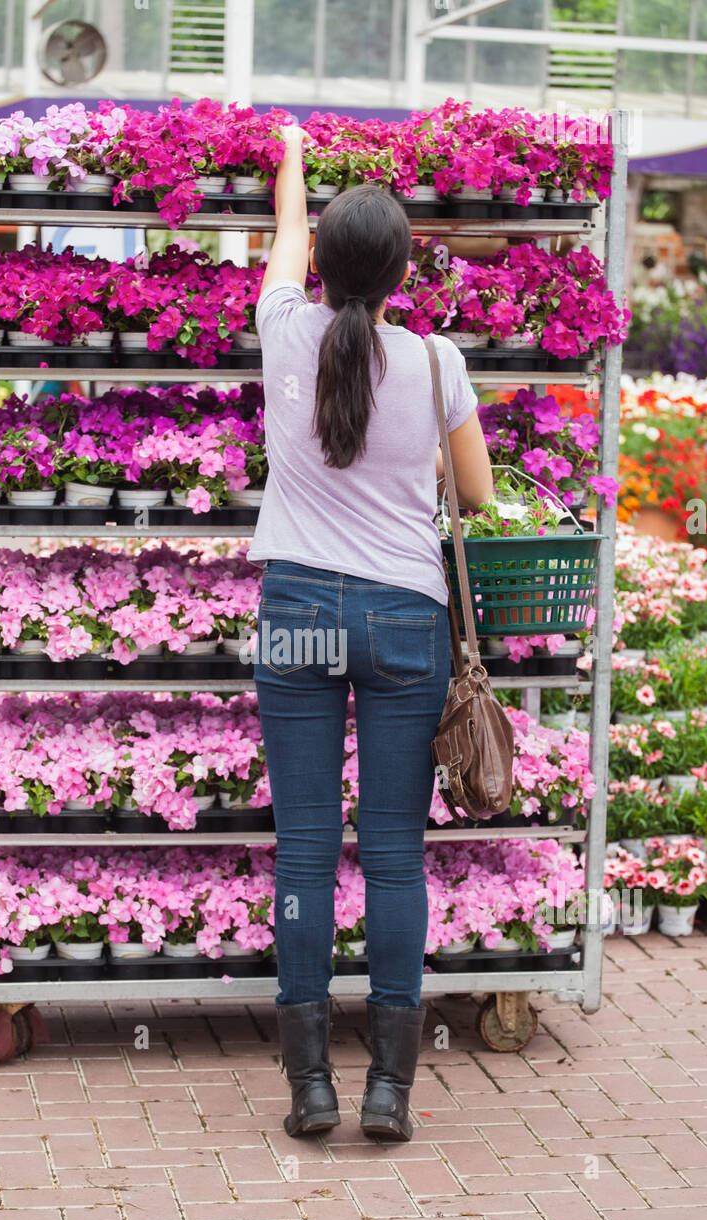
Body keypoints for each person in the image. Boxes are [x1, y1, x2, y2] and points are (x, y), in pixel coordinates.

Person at [248, 126, 494, 1142]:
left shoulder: (282, 330)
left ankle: (308, 1084)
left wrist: (295, 153)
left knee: (304, 853)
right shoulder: (437, 362)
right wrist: (413, 470)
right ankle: (388, 1089)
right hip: (402, 617)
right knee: (394, 852)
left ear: (320, 265)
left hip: (299, 611)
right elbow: (473, 492)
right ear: (400, 273)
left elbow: (283, 232)